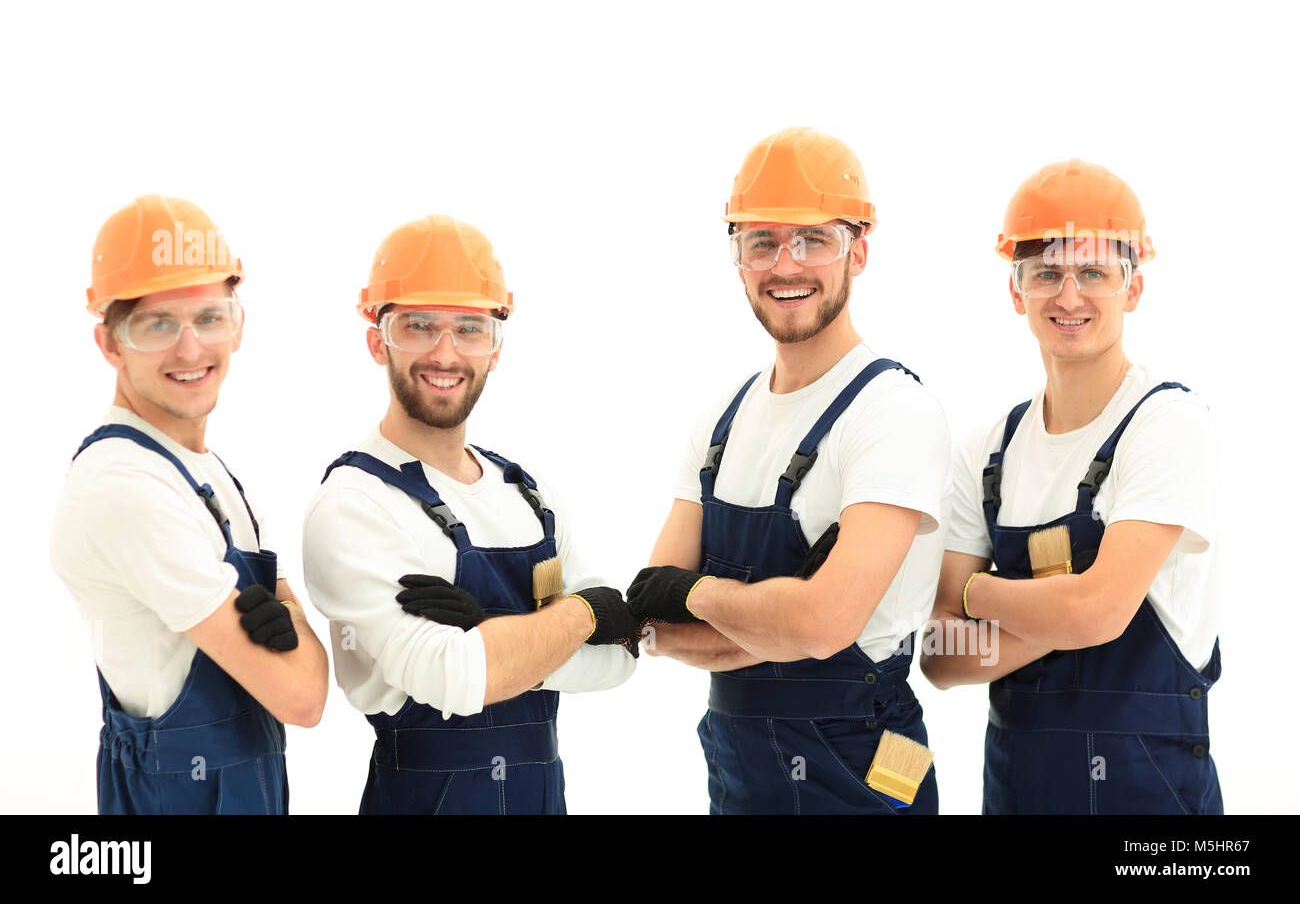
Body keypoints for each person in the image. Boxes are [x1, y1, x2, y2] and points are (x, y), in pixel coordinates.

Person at [627, 127, 950, 814]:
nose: (785, 265)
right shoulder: (722, 418)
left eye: (813, 240)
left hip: (869, 763)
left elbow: (826, 624)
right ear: (737, 257)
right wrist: (781, 617)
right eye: (762, 242)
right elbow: (653, 622)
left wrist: (703, 596)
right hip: (741, 768)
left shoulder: (894, 413)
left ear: (857, 252)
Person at [303, 214, 639, 815]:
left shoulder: (530, 496)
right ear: (377, 339)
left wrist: (491, 634)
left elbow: (618, 659)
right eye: (419, 326)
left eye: (470, 328)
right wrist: (580, 615)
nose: (445, 351)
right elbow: (456, 678)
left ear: (496, 345)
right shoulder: (354, 505)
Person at [920, 158, 1223, 814]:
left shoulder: (1166, 423)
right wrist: (1076, 603)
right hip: (1018, 789)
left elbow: (1098, 614)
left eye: (1093, 272)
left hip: (1152, 799)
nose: (1069, 296)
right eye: (1047, 273)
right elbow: (941, 656)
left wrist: (973, 592)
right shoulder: (988, 451)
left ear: (1132, 287)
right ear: (1015, 290)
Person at [50, 195, 329, 814]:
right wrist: (298, 626)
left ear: (239, 323)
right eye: (156, 323)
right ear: (109, 342)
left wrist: (290, 621)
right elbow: (302, 697)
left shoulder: (200, 470)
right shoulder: (125, 487)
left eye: (210, 316)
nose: (190, 348)